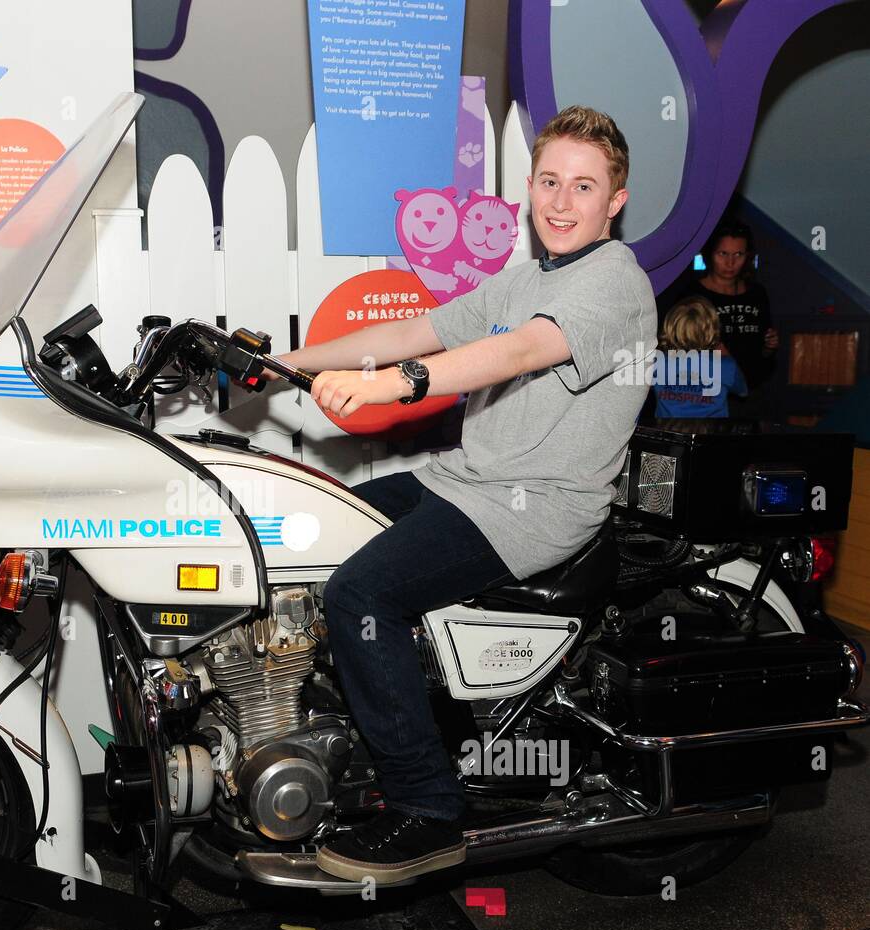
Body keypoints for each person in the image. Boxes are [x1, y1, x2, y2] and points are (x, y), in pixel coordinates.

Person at [278, 105, 656, 883]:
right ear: (529, 187)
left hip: (537, 504)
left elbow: (518, 351)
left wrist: (393, 385)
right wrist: (289, 362)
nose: (561, 201)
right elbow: (414, 331)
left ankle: (427, 810)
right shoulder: (525, 277)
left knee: (360, 592)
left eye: (584, 186)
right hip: (463, 479)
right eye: (549, 181)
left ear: (615, 201)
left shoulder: (615, 282)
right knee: (313, 525)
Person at [674, 221, 778, 418]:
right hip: (707, 398)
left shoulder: (757, 293)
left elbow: (765, 353)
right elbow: (677, 348)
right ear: (709, 254)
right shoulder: (692, 295)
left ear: (747, 256)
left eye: (738, 254)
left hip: (751, 394)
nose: (730, 263)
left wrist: (769, 346)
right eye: (723, 254)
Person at [652, 296, 747, 418]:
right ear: (713, 328)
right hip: (711, 430)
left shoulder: (655, 363)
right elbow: (743, 392)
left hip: (669, 429)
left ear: (670, 327)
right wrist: (725, 353)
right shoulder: (726, 366)